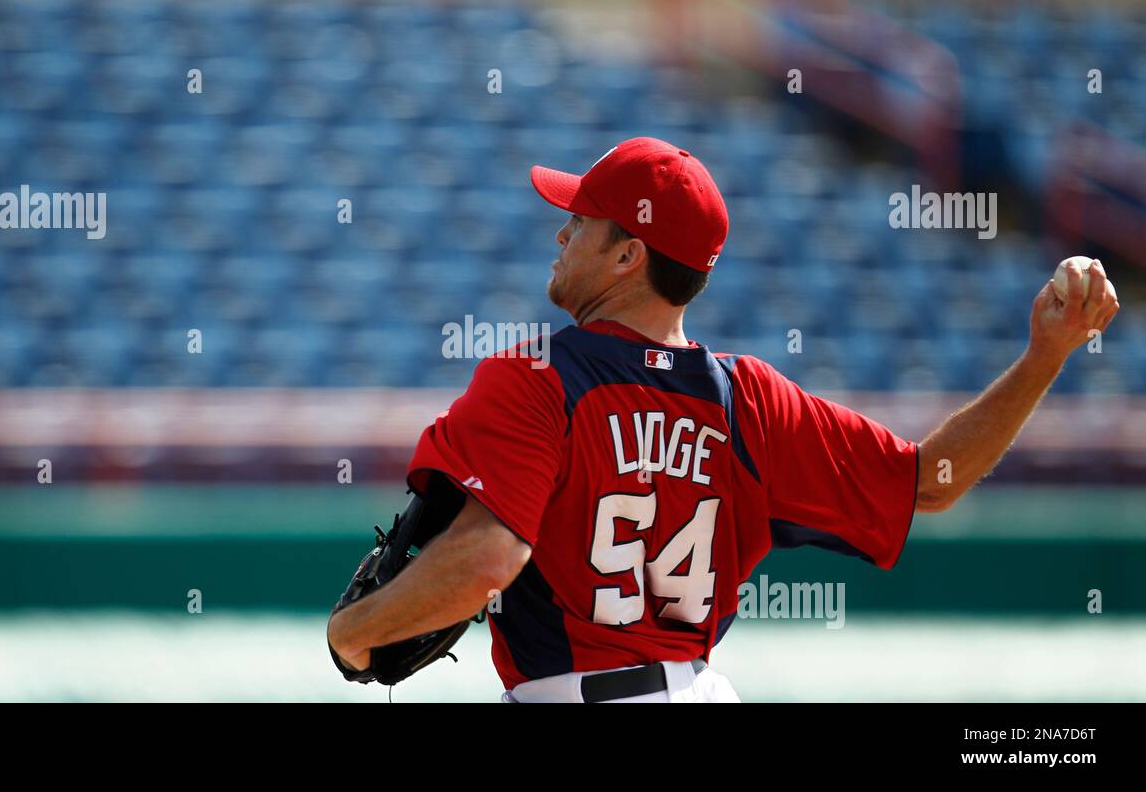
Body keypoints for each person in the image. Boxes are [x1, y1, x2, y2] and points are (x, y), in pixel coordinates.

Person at [327, 137, 1120, 702]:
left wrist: (354, 632)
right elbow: (931, 481)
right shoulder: (751, 399)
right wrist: (1044, 355)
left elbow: (485, 562)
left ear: (628, 255)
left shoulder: (534, 378)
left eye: (582, 219)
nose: (562, 231)